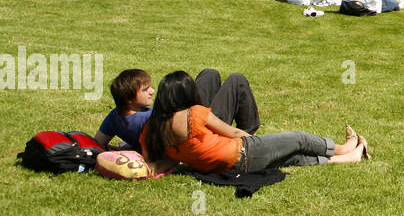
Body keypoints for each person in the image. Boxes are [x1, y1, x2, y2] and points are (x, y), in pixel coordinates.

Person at [141, 71, 369, 174]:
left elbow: (155, 161)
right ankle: (343, 148)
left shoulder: (151, 129)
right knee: (298, 139)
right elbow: (232, 132)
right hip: (242, 154)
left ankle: (347, 159)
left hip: (223, 166)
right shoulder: (194, 114)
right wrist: (258, 142)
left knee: (286, 156)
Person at [94, 68, 261, 153]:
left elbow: (98, 144)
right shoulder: (150, 118)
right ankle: (249, 138)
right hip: (204, 128)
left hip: (190, 116)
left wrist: (125, 148)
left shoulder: (114, 116)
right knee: (236, 81)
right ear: (129, 100)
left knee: (209, 74)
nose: (152, 91)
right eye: (145, 90)